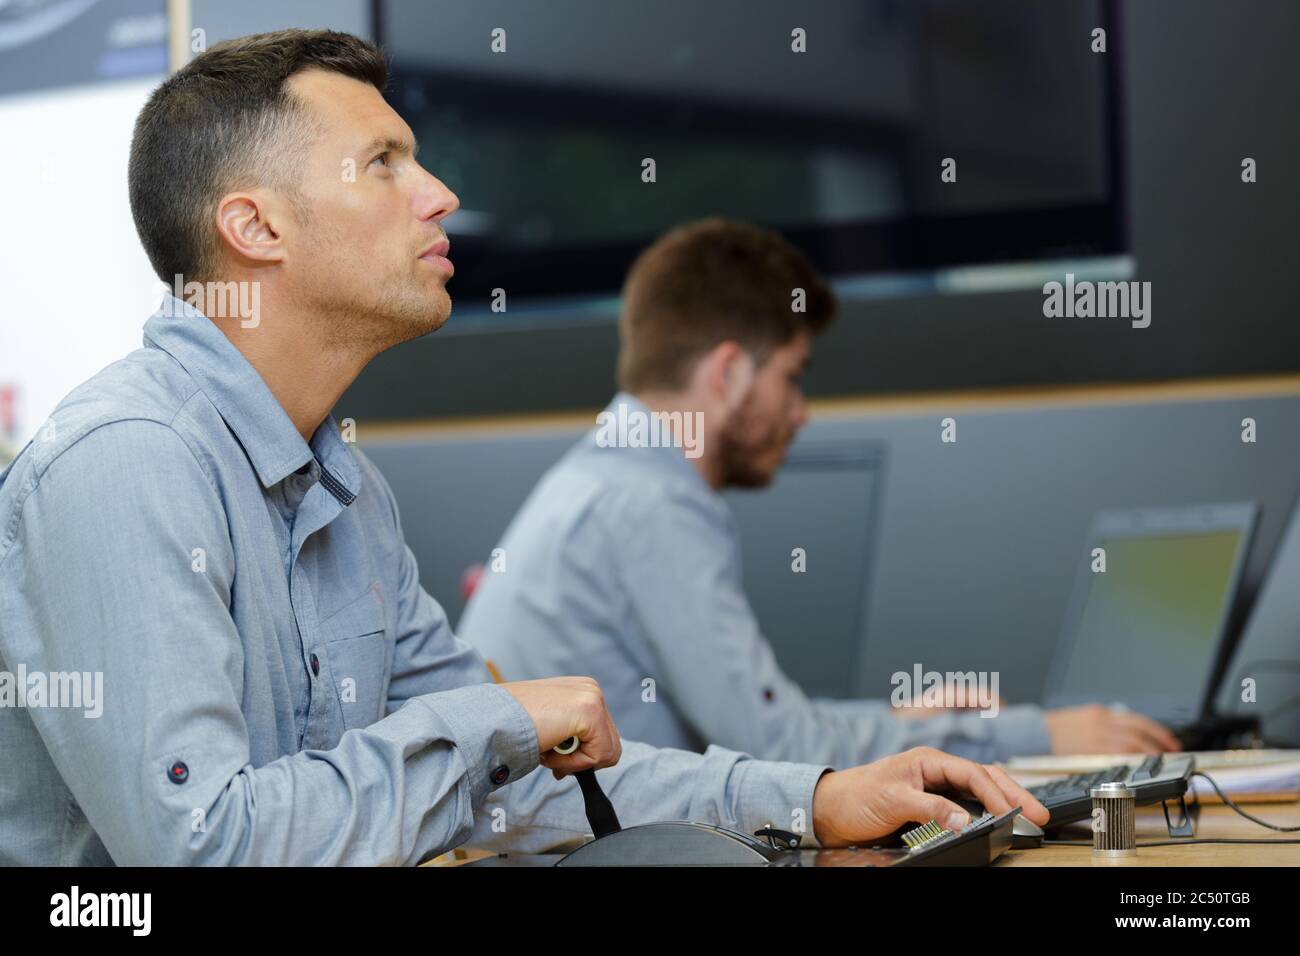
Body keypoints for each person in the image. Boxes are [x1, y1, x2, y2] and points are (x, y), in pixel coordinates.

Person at [0, 29, 1047, 866]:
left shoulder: (347, 490)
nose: (441, 193)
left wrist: (810, 796)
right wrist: (483, 720)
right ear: (256, 228)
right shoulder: (124, 462)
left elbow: (525, 779)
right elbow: (202, 848)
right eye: (383, 163)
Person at [461, 217, 1183, 766]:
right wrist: (1038, 734)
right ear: (728, 373)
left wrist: (907, 724)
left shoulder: (603, 479)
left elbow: (759, 727)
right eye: (794, 375)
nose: (801, 411)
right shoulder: (648, 504)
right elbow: (779, 745)